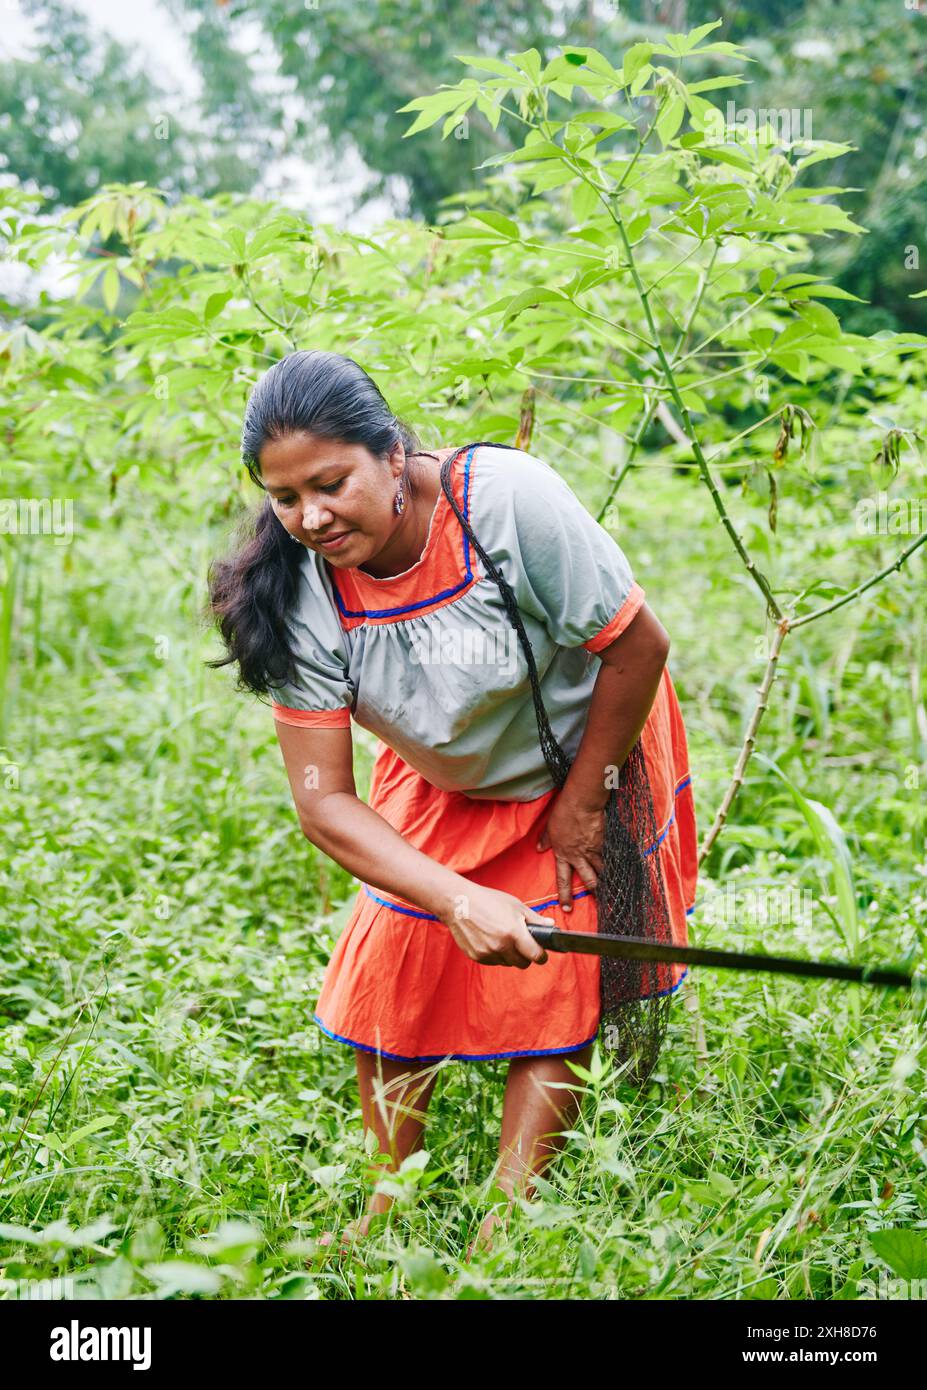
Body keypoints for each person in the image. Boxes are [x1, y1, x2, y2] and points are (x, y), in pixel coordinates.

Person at [207, 349, 697, 1259]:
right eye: (284, 498)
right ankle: (388, 1204)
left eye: (330, 483)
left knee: (552, 959)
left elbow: (638, 648)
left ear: (393, 454)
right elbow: (325, 806)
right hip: (443, 766)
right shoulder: (297, 587)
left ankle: (504, 1233)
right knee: (396, 951)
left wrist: (582, 804)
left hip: (583, 741)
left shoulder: (504, 502)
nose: (310, 517)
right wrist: (453, 895)